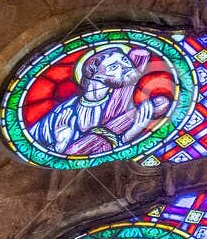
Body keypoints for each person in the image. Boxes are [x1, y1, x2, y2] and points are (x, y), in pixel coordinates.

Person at [28, 45, 169, 158]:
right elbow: (35, 151)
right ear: (95, 76)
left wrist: (136, 129)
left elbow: (115, 151)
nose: (126, 67)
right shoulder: (62, 114)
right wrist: (60, 146)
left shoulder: (127, 102)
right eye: (114, 67)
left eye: (125, 60)